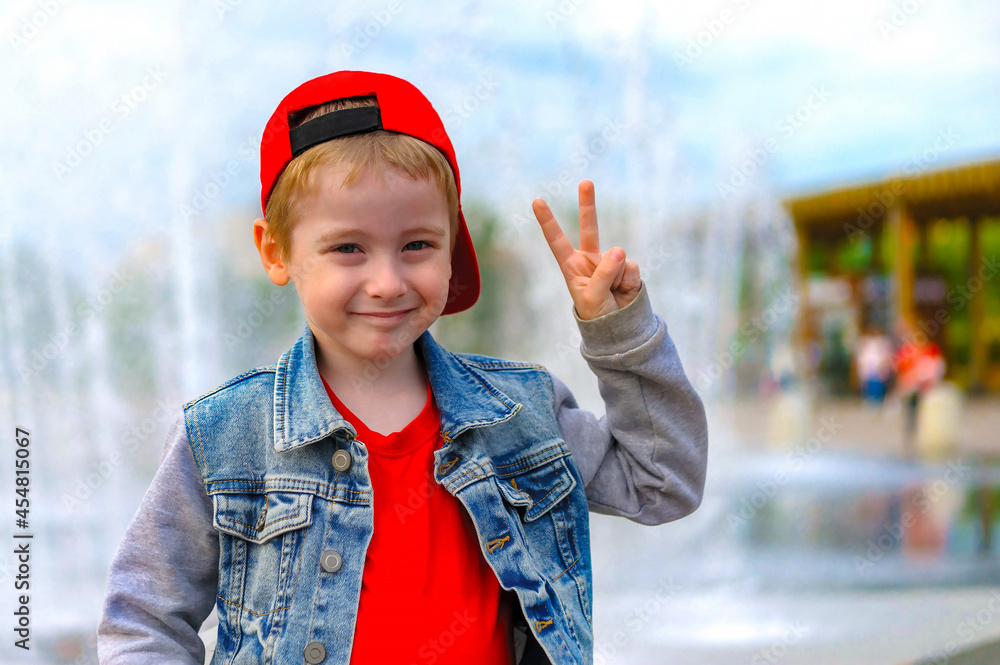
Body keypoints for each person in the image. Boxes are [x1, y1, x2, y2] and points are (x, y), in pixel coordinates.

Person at [96, 70, 709, 665]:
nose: (387, 283)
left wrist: (620, 329)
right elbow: (145, 619)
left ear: (450, 246)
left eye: (417, 245)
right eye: (348, 248)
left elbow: (662, 482)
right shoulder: (227, 435)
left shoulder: (523, 413)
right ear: (276, 251)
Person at [854, 322, 894, 410]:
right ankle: (870, 402)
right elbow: (861, 356)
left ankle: (877, 402)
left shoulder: (882, 342)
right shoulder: (864, 342)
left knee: (877, 386)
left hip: (878, 368)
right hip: (868, 368)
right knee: (869, 386)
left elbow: (886, 355)